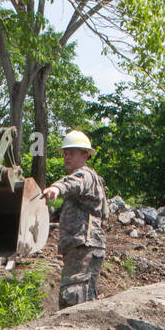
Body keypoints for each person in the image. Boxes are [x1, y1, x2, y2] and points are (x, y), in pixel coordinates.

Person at [41, 131, 109, 309]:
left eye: (72, 152)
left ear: (85, 155)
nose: (67, 156)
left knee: (75, 300)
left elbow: (72, 182)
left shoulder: (85, 175)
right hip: (82, 248)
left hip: (84, 247)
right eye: (65, 153)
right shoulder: (83, 187)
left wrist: (56, 187)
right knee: (80, 300)